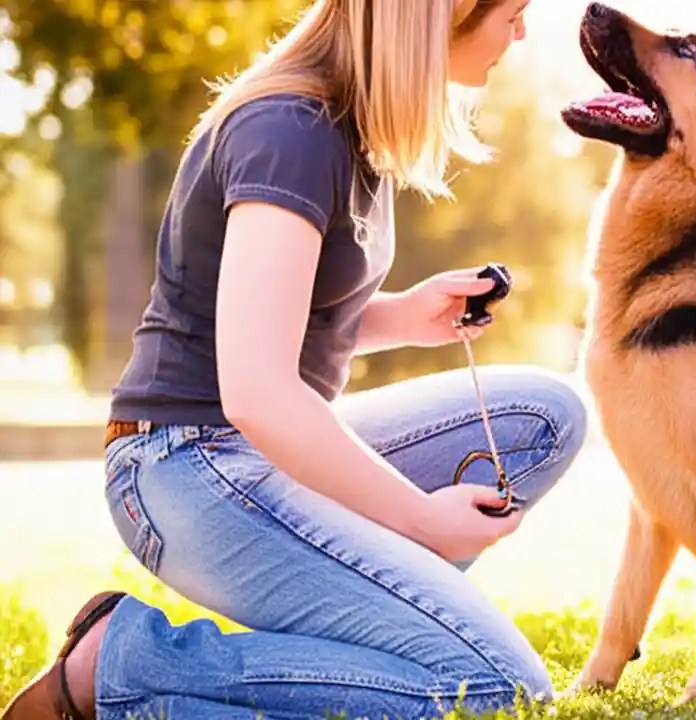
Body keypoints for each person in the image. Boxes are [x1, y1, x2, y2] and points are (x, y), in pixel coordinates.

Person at [2, 0, 590, 718]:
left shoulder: (350, 131)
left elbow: (273, 325)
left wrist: (403, 317)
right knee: (497, 688)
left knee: (543, 416)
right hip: (184, 463)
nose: (522, 31)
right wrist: (420, 521)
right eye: (513, 11)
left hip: (248, 450)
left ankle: (383, 641)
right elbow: (256, 391)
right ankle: (127, 662)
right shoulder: (293, 131)